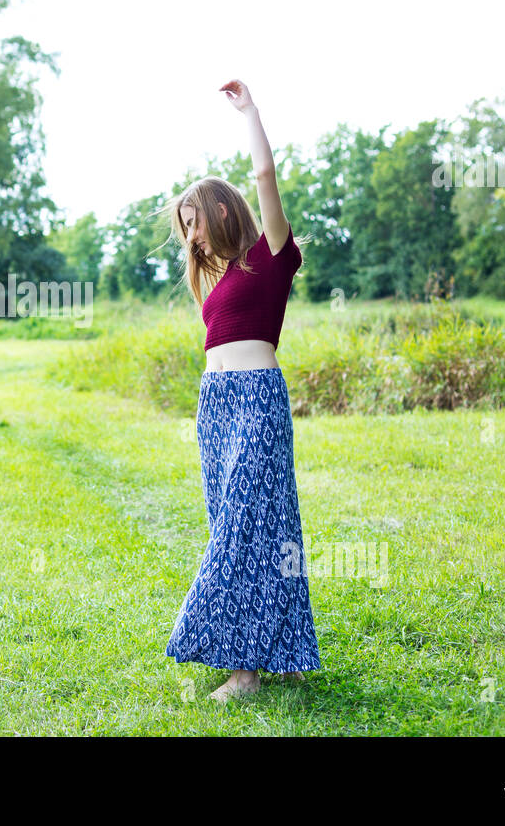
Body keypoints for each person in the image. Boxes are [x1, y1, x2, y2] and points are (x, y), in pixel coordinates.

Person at [163, 78, 322, 703]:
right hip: (216, 405)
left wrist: (251, 112)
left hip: (256, 397)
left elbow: (264, 174)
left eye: (194, 222)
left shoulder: (269, 256)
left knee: (245, 525)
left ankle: (245, 669)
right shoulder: (219, 275)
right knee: (252, 523)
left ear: (221, 211)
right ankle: (284, 657)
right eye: (184, 229)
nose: (192, 237)